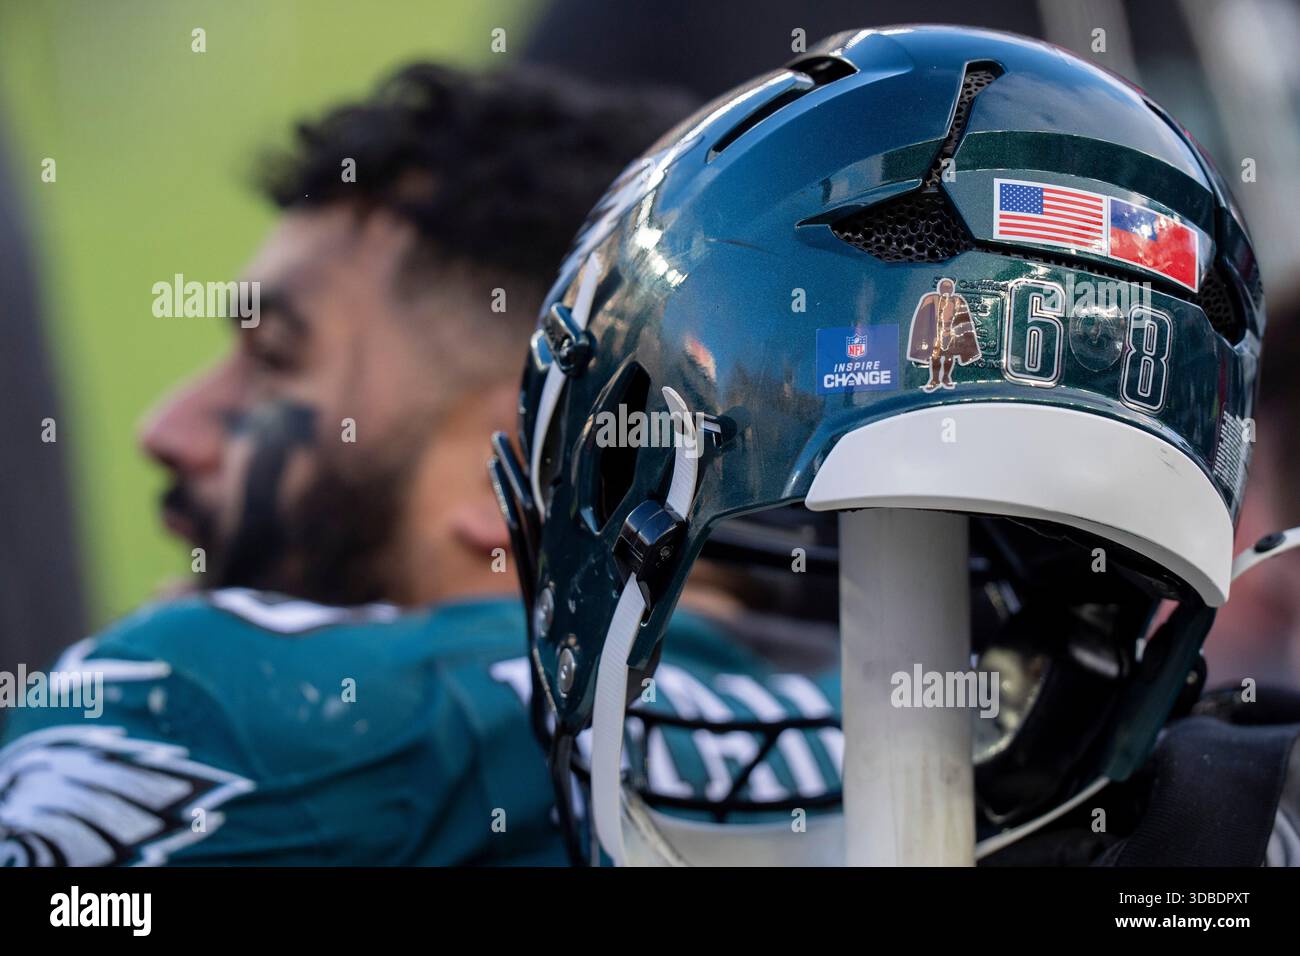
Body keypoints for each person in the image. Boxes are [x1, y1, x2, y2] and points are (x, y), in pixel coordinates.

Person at [0, 65, 840, 866]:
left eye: (276, 359)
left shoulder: (219, 705)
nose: (166, 429)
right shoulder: (892, 711)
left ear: (537, 461)